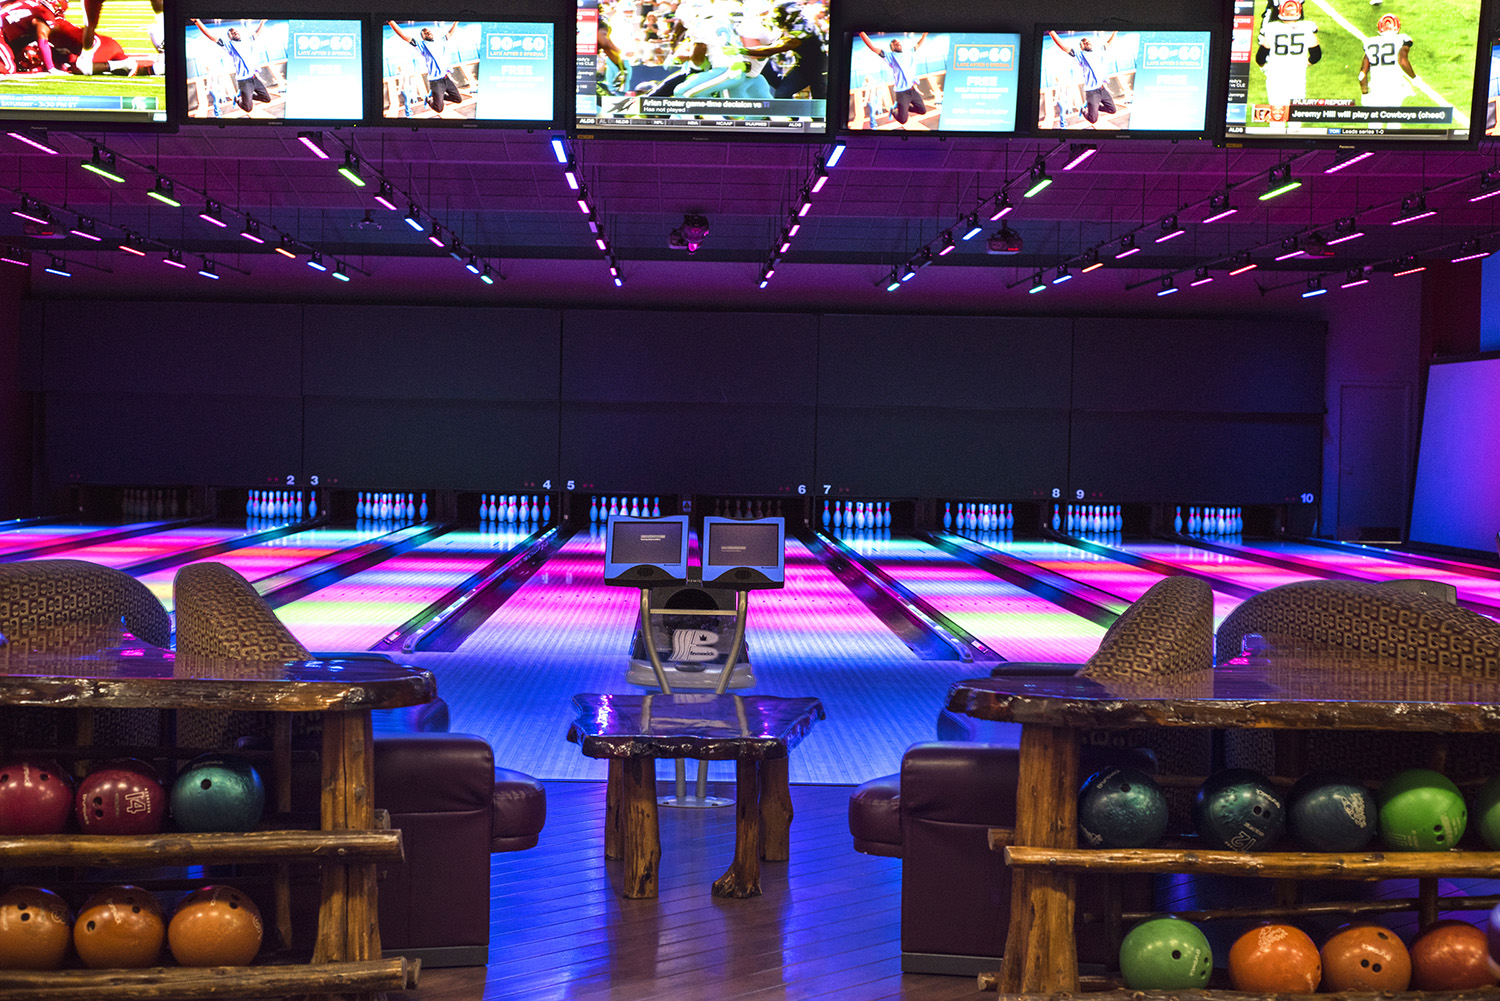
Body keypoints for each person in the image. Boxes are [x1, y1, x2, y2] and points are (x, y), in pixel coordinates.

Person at [1255, 0, 1320, 127]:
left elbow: (1260, 57)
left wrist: (1264, 67)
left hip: (1275, 75)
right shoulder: (1307, 27)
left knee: (1276, 117)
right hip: (1297, 76)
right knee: (1295, 117)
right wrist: (1305, 63)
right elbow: (1316, 55)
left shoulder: (1272, 28)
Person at [191, 18, 268, 113]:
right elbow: (212, 37)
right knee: (248, 108)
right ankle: (237, 99)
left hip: (254, 78)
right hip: (244, 81)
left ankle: (246, 96)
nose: (235, 33)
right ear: (230, 37)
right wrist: (197, 21)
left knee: (266, 98)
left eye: (236, 31)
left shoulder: (248, 41)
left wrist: (262, 22)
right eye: (232, 33)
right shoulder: (229, 45)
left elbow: (257, 32)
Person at [386, 21, 461, 114]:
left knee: (458, 99)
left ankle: (439, 96)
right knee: (439, 109)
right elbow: (404, 36)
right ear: (423, 37)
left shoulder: (441, 41)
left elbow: (450, 33)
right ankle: (428, 99)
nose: (428, 33)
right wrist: (391, 22)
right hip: (436, 82)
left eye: (429, 31)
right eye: (425, 33)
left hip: (446, 78)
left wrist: (455, 23)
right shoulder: (422, 45)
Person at [858, 31, 926, 127]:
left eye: (898, 42)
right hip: (902, 93)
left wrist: (924, 34)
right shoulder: (890, 56)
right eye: (894, 43)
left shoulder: (909, 52)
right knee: (903, 120)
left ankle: (901, 106)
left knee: (922, 110)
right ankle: (893, 110)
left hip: (912, 90)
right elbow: (873, 47)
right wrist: (861, 32)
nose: (897, 43)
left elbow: (918, 44)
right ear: (892, 48)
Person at [1049, 29, 1117, 125]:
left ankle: (1093, 107)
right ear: (1081, 48)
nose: (1087, 43)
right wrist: (1051, 32)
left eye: (1088, 41)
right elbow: (1063, 47)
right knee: (1093, 119)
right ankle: (1083, 110)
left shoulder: (1099, 51)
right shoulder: (1080, 55)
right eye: (1084, 43)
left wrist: (1115, 32)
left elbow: (1108, 43)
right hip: (1092, 92)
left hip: (1102, 89)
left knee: (1112, 110)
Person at [1359, 13, 1417, 124]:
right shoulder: (1402, 39)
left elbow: (1362, 74)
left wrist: (1364, 94)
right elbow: (1402, 61)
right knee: (1393, 124)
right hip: (1394, 88)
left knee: (1374, 126)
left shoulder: (1370, 43)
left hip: (1376, 89)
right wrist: (1414, 78)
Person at [0, 0, 70, 74]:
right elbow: (43, 40)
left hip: (6, 36)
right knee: (9, 68)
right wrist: (51, 68)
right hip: (1, 35)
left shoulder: (30, 3)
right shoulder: (44, 13)